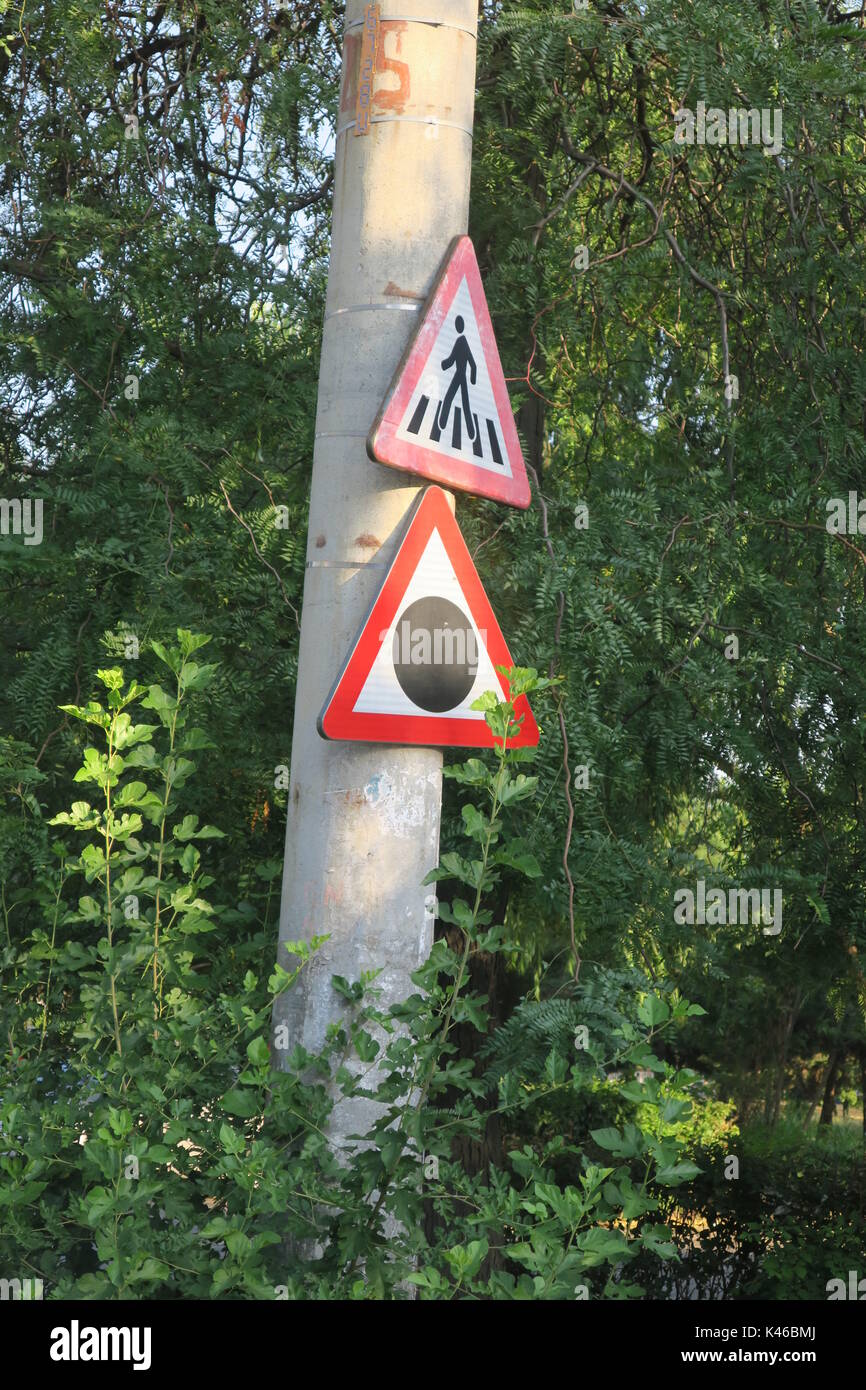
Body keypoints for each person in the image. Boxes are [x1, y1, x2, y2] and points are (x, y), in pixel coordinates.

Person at [437, 315, 477, 440]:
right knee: (465, 405)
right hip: (462, 376)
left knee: (449, 398)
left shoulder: (460, 341)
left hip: (459, 375)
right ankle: (471, 432)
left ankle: (442, 424)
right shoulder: (464, 342)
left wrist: (442, 364)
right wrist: (472, 379)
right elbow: (473, 365)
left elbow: (452, 359)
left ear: (458, 326)